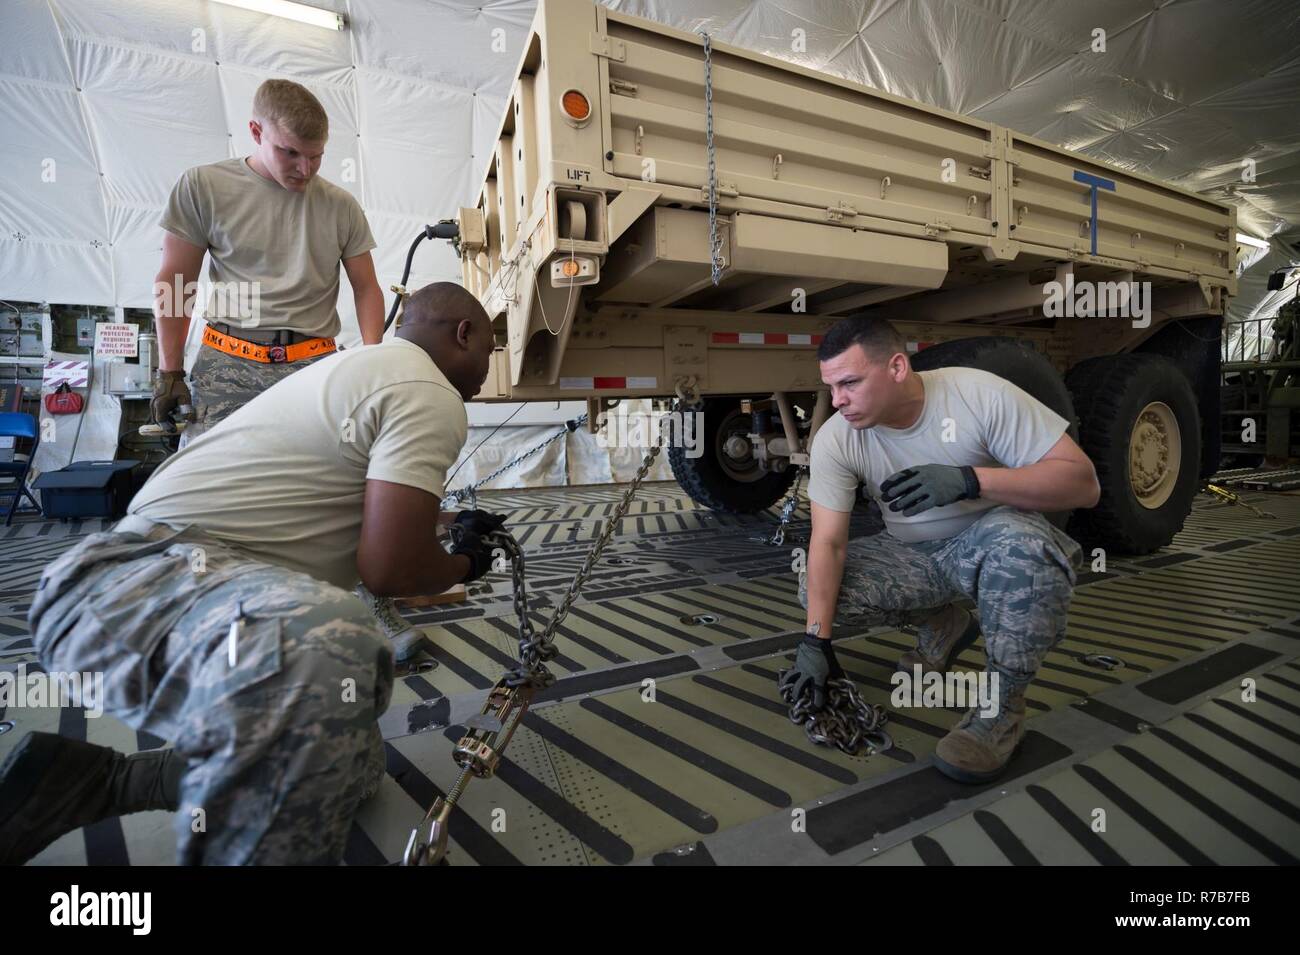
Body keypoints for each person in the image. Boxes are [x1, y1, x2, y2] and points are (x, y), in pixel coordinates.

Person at [2, 283, 503, 865]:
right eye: (490, 351)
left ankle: (97, 782)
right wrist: (469, 560)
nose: (490, 369)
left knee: (348, 769)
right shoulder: (427, 391)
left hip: (126, 585)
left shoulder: (365, 369)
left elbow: (367, 509)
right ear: (462, 334)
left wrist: (446, 521)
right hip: (133, 588)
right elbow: (390, 569)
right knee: (334, 646)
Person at [783, 317, 1099, 783]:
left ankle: (1001, 709)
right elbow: (827, 541)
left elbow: (1084, 484)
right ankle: (944, 623)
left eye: (850, 383)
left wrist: (972, 480)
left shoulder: (978, 395)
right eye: (830, 387)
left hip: (988, 540)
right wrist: (817, 639)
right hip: (914, 554)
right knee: (818, 589)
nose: (838, 400)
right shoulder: (838, 437)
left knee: (1024, 550)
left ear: (895, 367)